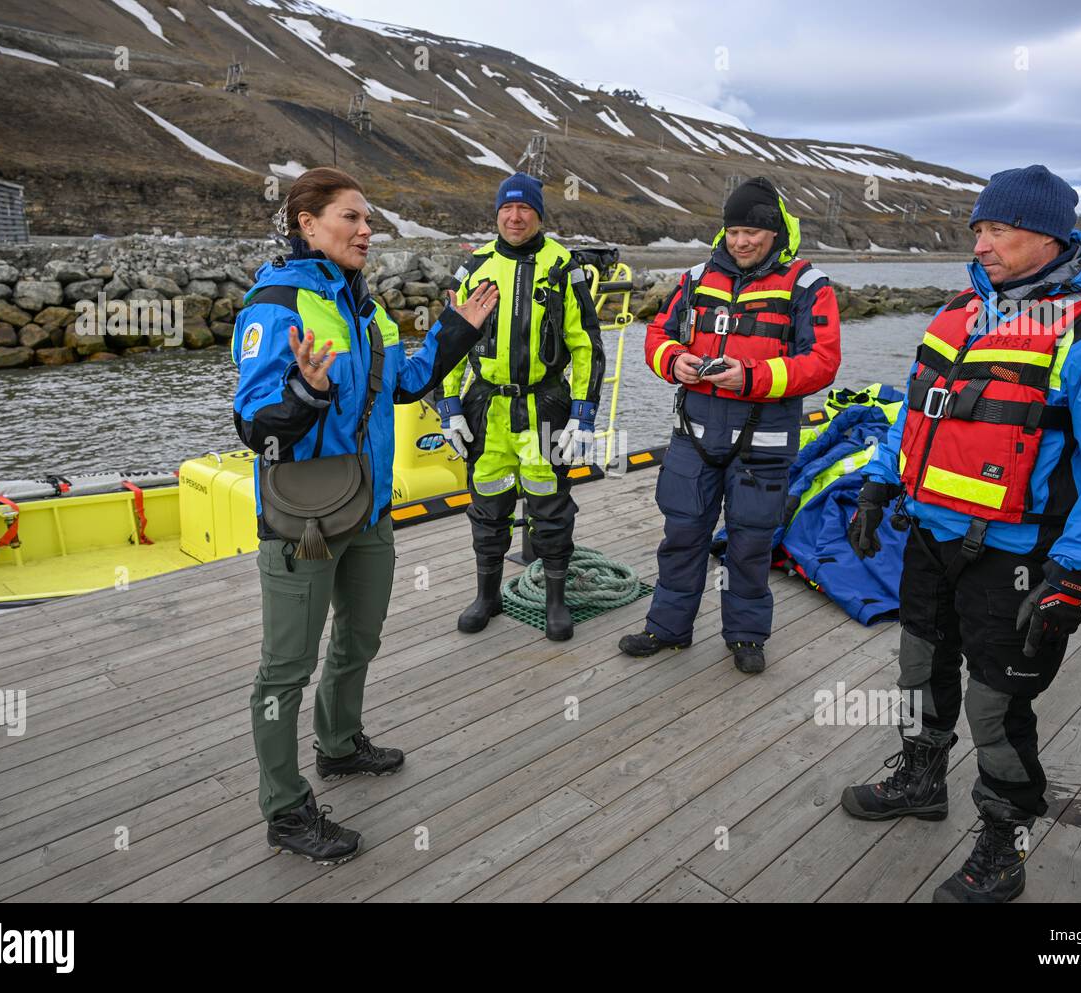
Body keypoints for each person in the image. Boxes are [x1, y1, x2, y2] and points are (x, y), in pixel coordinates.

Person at [841, 164, 1081, 903]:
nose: (980, 243)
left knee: (996, 707)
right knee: (918, 669)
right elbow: (913, 412)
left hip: (1015, 559)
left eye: (998, 229)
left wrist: (1073, 575)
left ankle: (1004, 841)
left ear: (1048, 235)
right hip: (928, 537)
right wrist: (878, 484)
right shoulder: (956, 312)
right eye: (978, 228)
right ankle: (922, 779)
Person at [232, 167, 498, 864]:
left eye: (369, 220)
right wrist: (304, 391)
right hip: (305, 523)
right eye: (350, 218)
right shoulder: (275, 306)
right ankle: (284, 807)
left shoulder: (364, 306)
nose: (365, 230)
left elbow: (404, 382)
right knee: (284, 670)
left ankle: (339, 743)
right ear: (306, 223)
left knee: (360, 639)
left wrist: (458, 330)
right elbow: (255, 425)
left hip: (370, 511)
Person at [618, 177, 841, 674]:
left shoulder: (809, 286)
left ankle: (745, 635)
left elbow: (823, 362)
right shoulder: (696, 278)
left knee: (750, 542)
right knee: (681, 534)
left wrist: (752, 377)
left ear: (776, 233)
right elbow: (657, 332)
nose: (741, 241)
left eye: (753, 233)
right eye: (734, 230)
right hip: (694, 436)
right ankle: (668, 629)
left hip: (762, 440)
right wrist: (671, 359)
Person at [435, 173, 606, 641]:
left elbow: (587, 344)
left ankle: (555, 600)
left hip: (544, 407)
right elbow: (449, 341)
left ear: (539, 214)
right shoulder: (475, 266)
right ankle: (487, 596)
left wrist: (583, 414)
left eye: (525, 209)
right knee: (487, 507)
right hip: (486, 408)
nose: (515, 217)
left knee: (551, 509)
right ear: (496, 215)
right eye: (507, 209)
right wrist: (448, 407)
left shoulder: (562, 266)